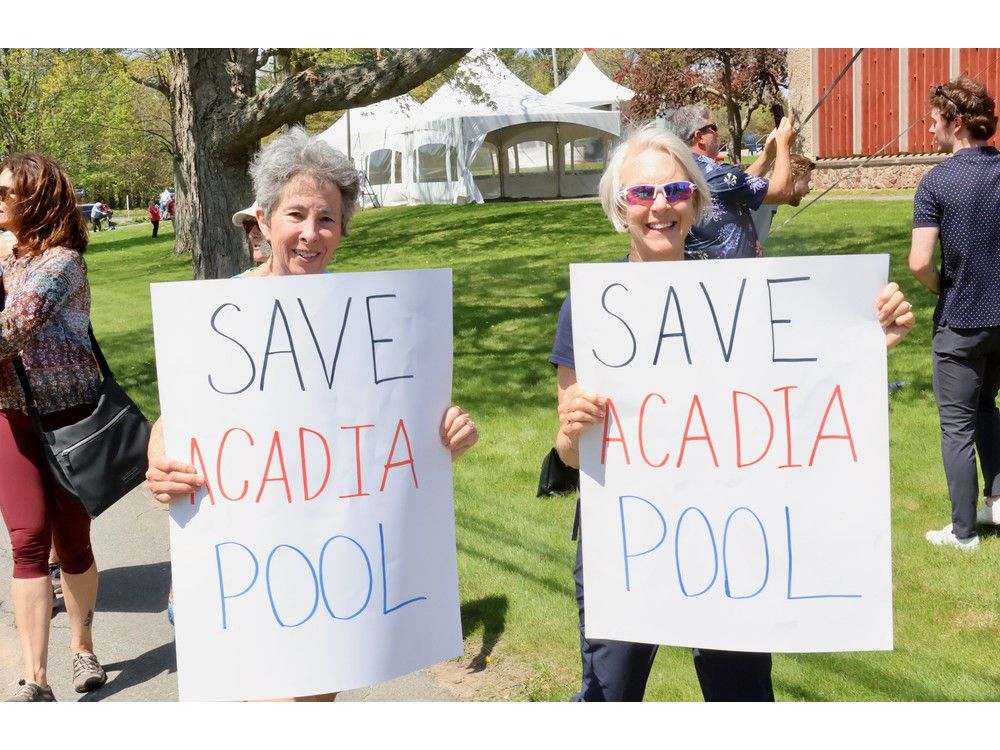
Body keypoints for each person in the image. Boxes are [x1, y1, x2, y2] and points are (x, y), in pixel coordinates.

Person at [551, 124, 915, 702]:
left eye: (676, 191)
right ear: (620, 210)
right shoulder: (592, 310)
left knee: (742, 699)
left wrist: (869, 339)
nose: (660, 206)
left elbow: (801, 396)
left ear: (696, 203)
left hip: (733, 535)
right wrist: (572, 431)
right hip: (624, 538)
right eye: (641, 193)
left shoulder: (746, 299)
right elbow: (571, 455)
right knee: (609, 700)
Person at [144, 127, 480, 702]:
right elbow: (174, 418)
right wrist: (161, 463)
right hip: (242, 571)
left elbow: (392, 425)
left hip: (331, 584)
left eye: (327, 219)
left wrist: (447, 432)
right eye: (296, 214)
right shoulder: (222, 314)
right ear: (264, 220)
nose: (310, 232)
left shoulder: (369, 321)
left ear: (342, 230)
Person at [0, 153, 108, 701]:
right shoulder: (7, 257)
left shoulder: (62, 263)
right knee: (26, 541)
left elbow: (11, 329)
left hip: (70, 416)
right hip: (10, 413)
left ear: (36, 199)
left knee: (72, 543)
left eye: (5, 192)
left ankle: (82, 646)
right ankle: (34, 678)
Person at [909, 76, 1000, 549]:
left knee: (957, 428)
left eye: (934, 121)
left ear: (957, 123)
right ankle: (998, 501)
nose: (930, 130)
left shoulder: (937, 182)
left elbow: (919, 262)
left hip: (961, 323)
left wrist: (941, 287)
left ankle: (964, 534)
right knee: (987, 407)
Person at [667, 105, 796, 260]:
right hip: (734, 273)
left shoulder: (681, 168)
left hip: (700, 270)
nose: (717, 133)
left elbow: (735, 186)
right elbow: (782, 192)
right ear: (699, 136)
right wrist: (783, 144)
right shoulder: (717, 175)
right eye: (714, 128)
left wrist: (768, 155)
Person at [752, 153, 817, 247]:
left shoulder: (770, 202)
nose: (808, 190)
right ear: (792, 178)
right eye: (806, 182)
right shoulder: (757, 200)